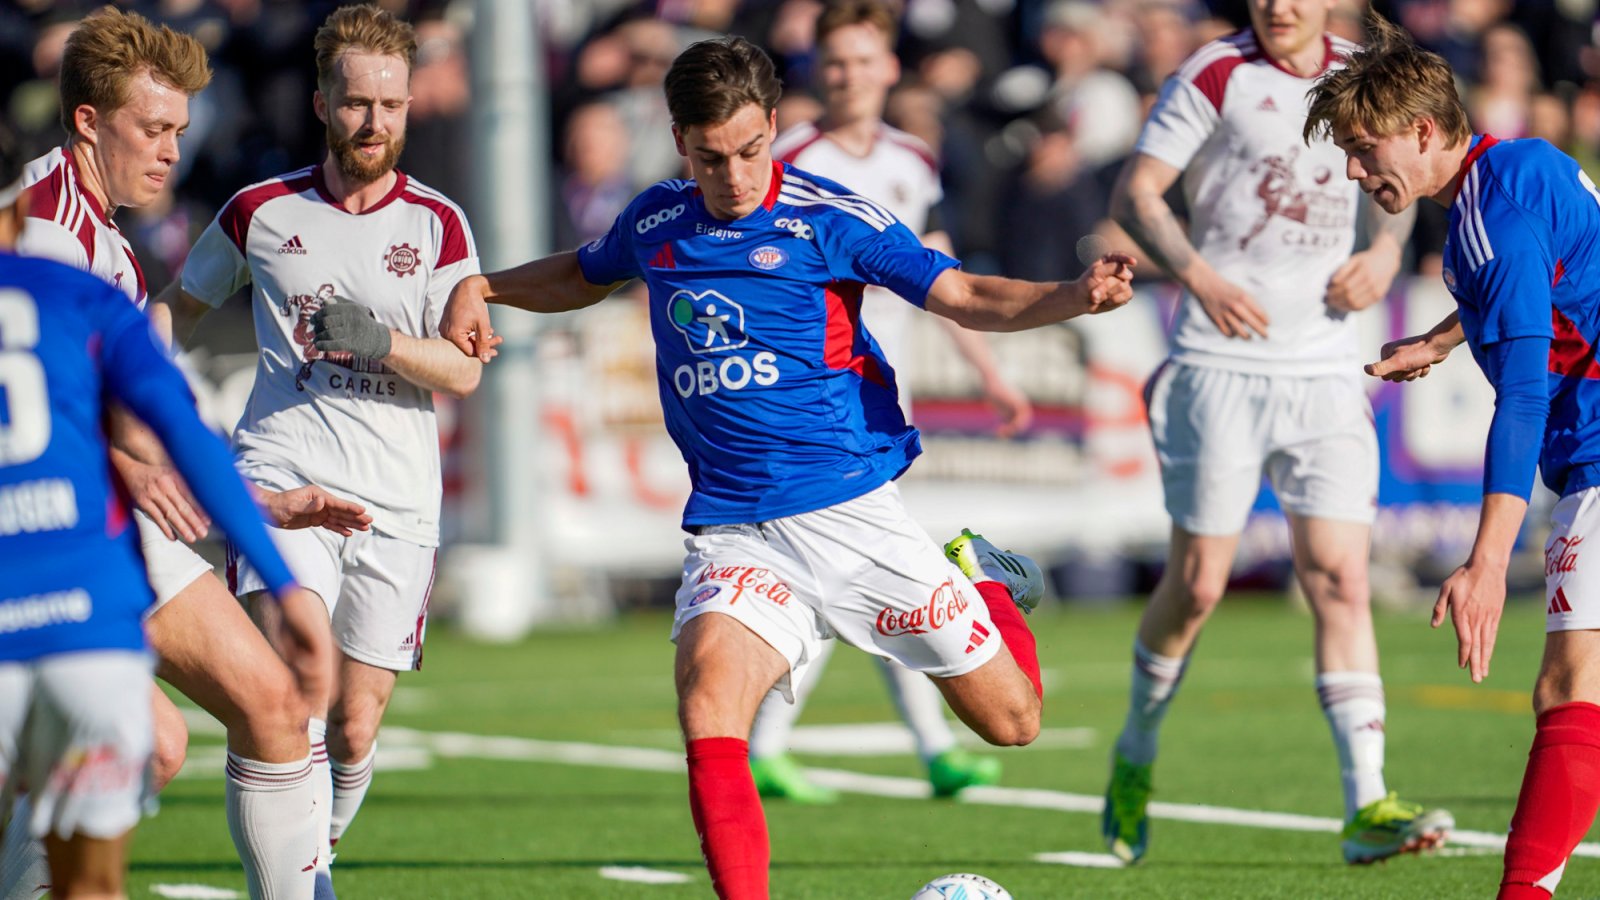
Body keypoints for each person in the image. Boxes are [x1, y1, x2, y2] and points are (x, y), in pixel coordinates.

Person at [438, 35, 1135, 900]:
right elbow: (584, 275)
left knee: (1013, 722)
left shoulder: (831, 219)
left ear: (773, 123)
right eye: (709, 158)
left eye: (748, 151)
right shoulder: (657, 219)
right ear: (678, 140)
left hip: (852, 512)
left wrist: (1073, 296)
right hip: (736, 530)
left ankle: (980, 580)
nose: (731, 177)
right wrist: (486, 286)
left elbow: (962, 295)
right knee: (707, 706)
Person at [4, 8, 361, 898]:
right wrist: (134, 467)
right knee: (241, 716)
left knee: (184, 738)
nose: (171, 151)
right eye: (152, 128)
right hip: (55, 527)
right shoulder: (52, 240)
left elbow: (138, 427)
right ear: (88, 119)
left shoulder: (81, 221)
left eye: (180, 132)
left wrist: (259, 506)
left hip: (95, 511)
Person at [1101, 0, 1452, 866]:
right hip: (1219, 363)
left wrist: (1385, 250)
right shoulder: (1216, 73)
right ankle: (1136, 750)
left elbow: (1398, 183)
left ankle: (1367, 804)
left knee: (1340, 575)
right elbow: (1137, 192)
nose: (1279, 6)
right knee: (1200, 586)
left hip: (1327, 367)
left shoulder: (1361, 71)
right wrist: (1197, 276)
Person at [150, 6, 483, 895]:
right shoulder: (260, 210)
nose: (373, 123)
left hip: (398, 502)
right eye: (355, 104)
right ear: (321, 103)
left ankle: (310, 862)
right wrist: (144, 387)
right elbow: (178, 305)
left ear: (409, 105)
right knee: (293, 685)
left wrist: (375, 340)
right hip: (283, 474)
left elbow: (462, 371)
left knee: (356, 728)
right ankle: (299, 888)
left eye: (390, 105)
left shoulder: (442, 226)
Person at [1309, 14, 1600, 898]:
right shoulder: (1521, 165)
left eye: (1365, 150)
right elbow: (1545, 281)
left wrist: (1484, 563)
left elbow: (1518, 396)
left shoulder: (1488, 220)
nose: (1357, 172)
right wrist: (1442, 338)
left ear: (1425, 131)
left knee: (1570, 688)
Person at [745, 0, 1034, 804]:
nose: (849, 76)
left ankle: (777, 745)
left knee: (867, 575)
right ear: (817, 71)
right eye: (835, 63)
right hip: (816, 404)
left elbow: (943, 278)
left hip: (880, 398)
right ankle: (934, 746)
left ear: (888, 68)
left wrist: (989, 374)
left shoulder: (911, 158)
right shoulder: (786, 158)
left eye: (864, 61)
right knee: (885, 570)